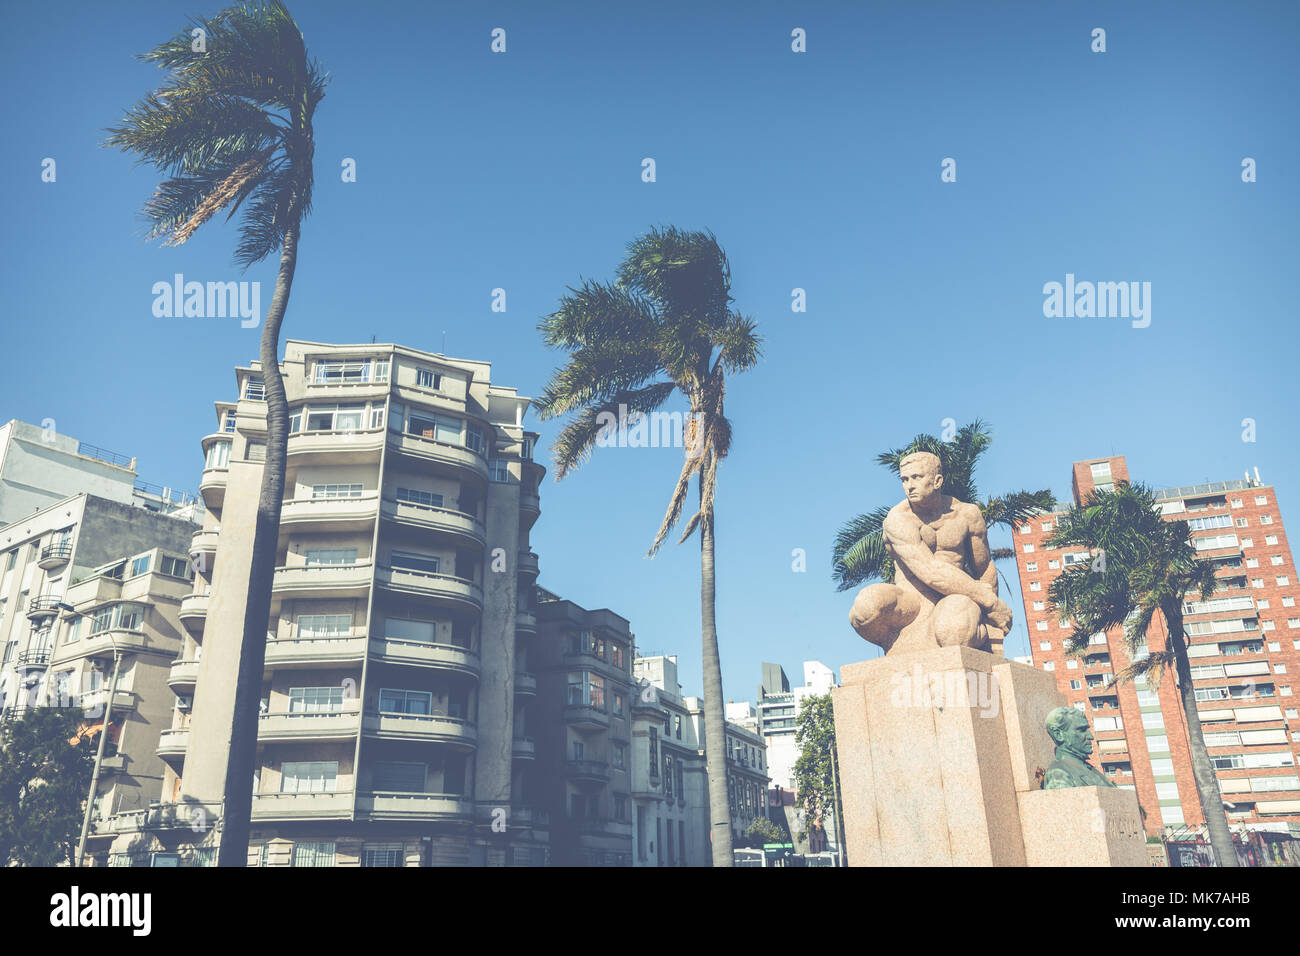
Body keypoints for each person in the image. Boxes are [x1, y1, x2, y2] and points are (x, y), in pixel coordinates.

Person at [849, 451, 1013, 655]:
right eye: (904, 479)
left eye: (916, 477)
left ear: (937, 481)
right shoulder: (898, 519)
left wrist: (990, 615)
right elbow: (930, 570)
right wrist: (992, 602)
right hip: (911, 602)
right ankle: (898, 644)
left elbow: (985, 566)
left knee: (955, 631)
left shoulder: (967, 514)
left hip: (956, 598)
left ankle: (978, 633)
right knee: (865, 608)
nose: (909, 486)